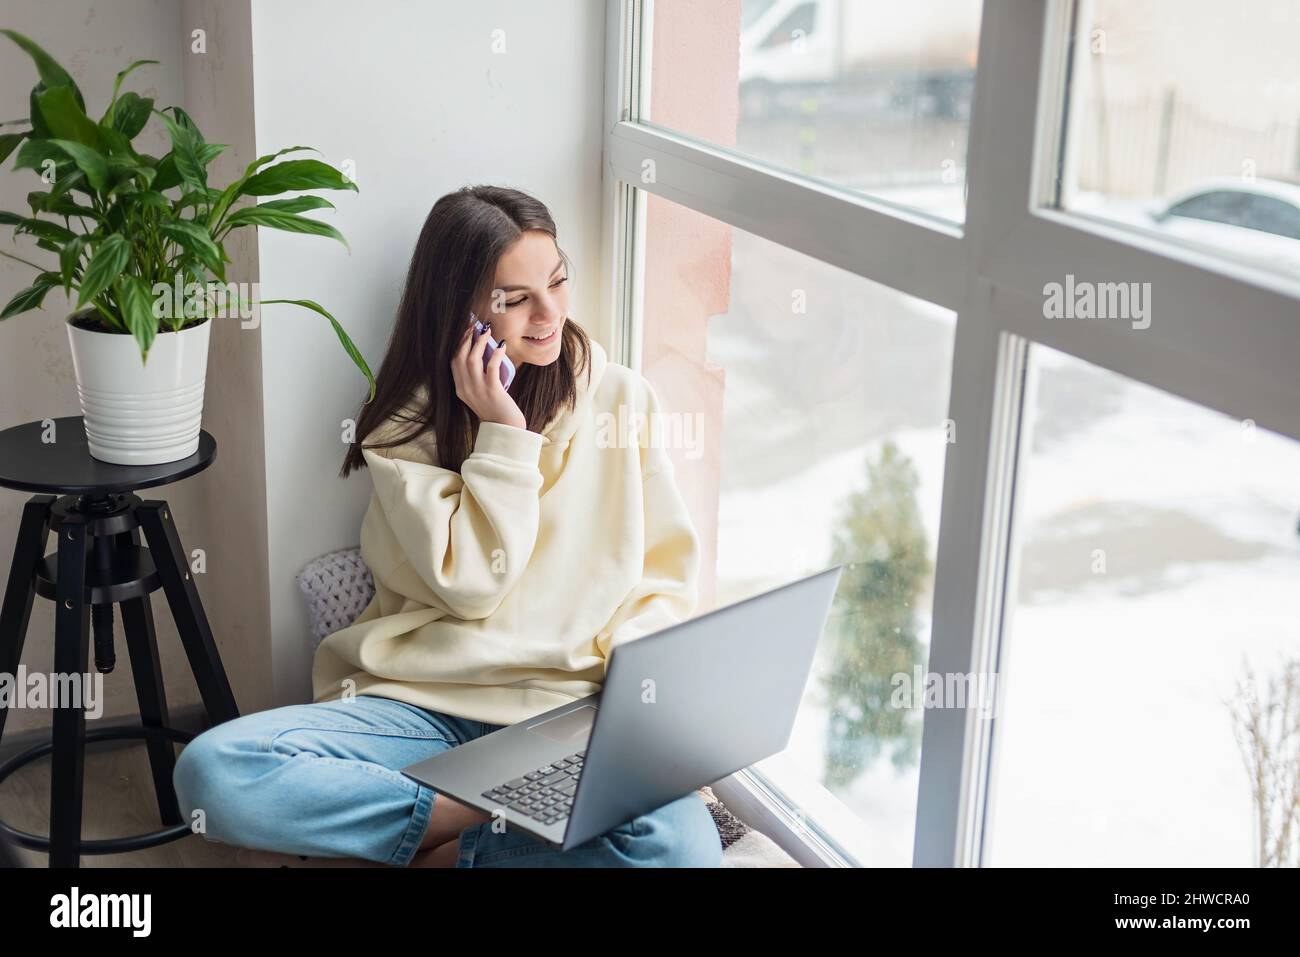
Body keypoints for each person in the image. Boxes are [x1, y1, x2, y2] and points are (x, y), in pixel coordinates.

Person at [172, 185, 721, 868]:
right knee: (213, 771)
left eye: (556, 281)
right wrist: (503, 434)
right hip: (423, 709)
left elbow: (663, 583)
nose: (548, 313)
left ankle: (456, 854)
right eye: (514, 298)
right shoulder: (405, 426)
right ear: (461, 309)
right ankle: (479, 817)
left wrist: (636, 705)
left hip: (567, 719)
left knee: (678, 848)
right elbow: (473, 587)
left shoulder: (621, 399)